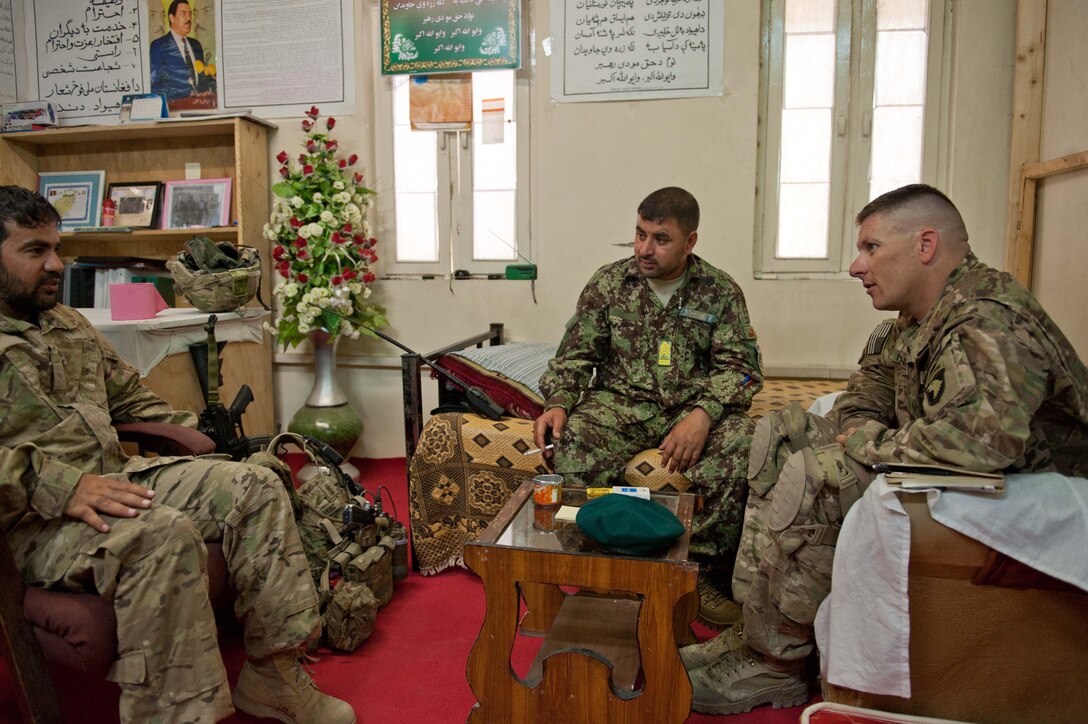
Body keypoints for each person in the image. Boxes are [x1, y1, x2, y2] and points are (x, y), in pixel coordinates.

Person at [681, 183, 1088, 715]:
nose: (855, 265)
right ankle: (758, 629)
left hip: (1023, 490)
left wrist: (870, 442)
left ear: (925, 245)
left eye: (871, 248)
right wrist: (863, 431)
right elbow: (862, 396)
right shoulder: (913, 320)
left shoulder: (988, 319)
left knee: (823, 475)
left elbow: (979, 442)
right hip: (967, 466)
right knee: (782, 433)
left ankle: (775, 667)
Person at [0, 185, 353, 723]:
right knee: (160, 534)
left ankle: (274, 674)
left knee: (254, 484)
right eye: (34, 251)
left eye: (56, 247)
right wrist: (62, 486)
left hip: (112, 479)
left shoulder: (65, 324)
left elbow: (129, 397)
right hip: (30, 519)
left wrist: (209, 442)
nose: (56, 264)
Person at [533, 186, 763, 628]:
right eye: (639, 235)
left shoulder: (719, 291)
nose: (645, 249)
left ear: (690, 241)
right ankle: (595, 568)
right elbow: (575, 356)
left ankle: (699, 576)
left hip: (690, 407)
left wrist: (705, 414)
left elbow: (743, 369)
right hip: (621, 404)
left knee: (742, 443)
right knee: (577, 438)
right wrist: (558, 401)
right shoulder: (608, 283)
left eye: (661, 238)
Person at [149, 0, 216, 102]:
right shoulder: (159, 46)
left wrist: (207, 90)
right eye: (183, 13)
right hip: (175, 110)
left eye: (190, 14)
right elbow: (155, 86)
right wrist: (185, 94)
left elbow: (201, 80)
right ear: (172, 18)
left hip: (201, 107)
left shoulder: (196, 45)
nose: (189, 18)